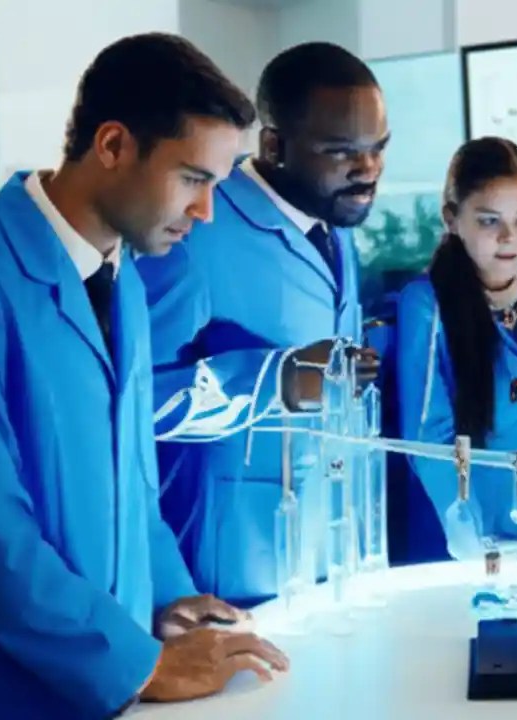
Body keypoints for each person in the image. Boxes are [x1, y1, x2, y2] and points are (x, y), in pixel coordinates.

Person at [0, 34, 287, 719]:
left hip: (97, 687)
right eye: (193, 178)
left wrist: (169, 597)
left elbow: (132, 482)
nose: (206, 211)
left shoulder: (120, 275)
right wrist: (140, 665)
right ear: (112, 146)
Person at [136, 41, 386, 607]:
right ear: (275, 145)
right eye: (341, 150)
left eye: (377, 148)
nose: (367, 169)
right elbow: (134, 402)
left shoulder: (335, 223)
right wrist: (273, 380)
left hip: (327, 559)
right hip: (228, 579)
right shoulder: (194, 232)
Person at [396, 137, 517, 560]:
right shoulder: (427, 303)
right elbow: (430, 437)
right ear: (452, 218)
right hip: (466, 527)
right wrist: (471, 538)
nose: (509, 237)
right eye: (488, 221)